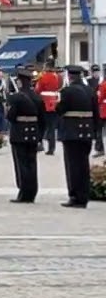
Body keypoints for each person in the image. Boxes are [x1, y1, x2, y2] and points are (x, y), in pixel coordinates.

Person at [56, 65, 96, 208]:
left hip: (71, 133)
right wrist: (95, 134)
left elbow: (60, 110)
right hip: (87, 132)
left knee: (73, 165)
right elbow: (96, 113)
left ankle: (75, 196)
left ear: (70, 76)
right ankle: (84, 195)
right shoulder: (90, 90)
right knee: (84, 165)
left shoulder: (67, 91)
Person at [5, 67, 43, 203]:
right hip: (34, 132)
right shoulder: (37, 97)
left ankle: (23, 192)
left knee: (22, 164)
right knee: (32, 163)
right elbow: (42, 119)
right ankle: (32, 191)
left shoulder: (17, 97)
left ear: (20, 82)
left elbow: (10, 116)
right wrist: (40, 136)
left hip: (19, 133)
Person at [35, 61, 62, 155]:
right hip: (54, 103)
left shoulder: (43, 77)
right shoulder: (58, 76)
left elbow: (38, 90)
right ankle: (52, 147)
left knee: (41, 125)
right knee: (52, 127)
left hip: (44, 103)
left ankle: (40, 143)